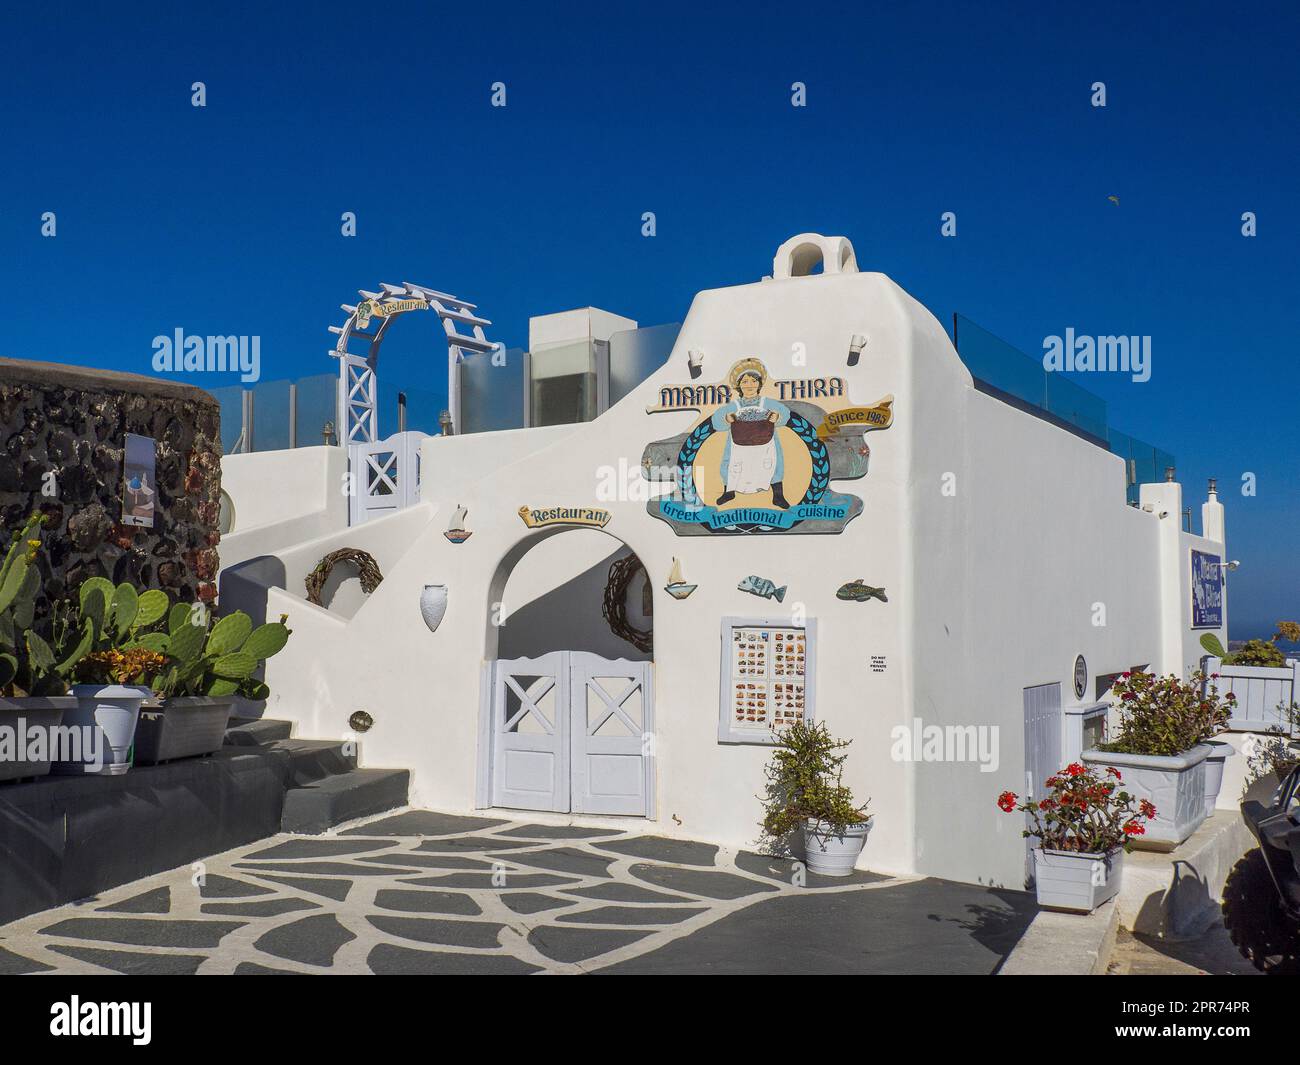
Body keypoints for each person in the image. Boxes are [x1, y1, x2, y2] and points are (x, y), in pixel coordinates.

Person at [709, 358, 792, 509]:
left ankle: (778, 496)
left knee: (773, 464)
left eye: (753, 381)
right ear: (739, 385)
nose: (750, 385)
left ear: (759, 384)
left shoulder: (768, 402)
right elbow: (716, 422)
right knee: (731, 464)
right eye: (745, 381)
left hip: (766, 442)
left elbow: (785, 413)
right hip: (739, 443)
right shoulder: (733, 405)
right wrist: (726, 419)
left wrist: (777, 417)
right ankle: (729, 492)